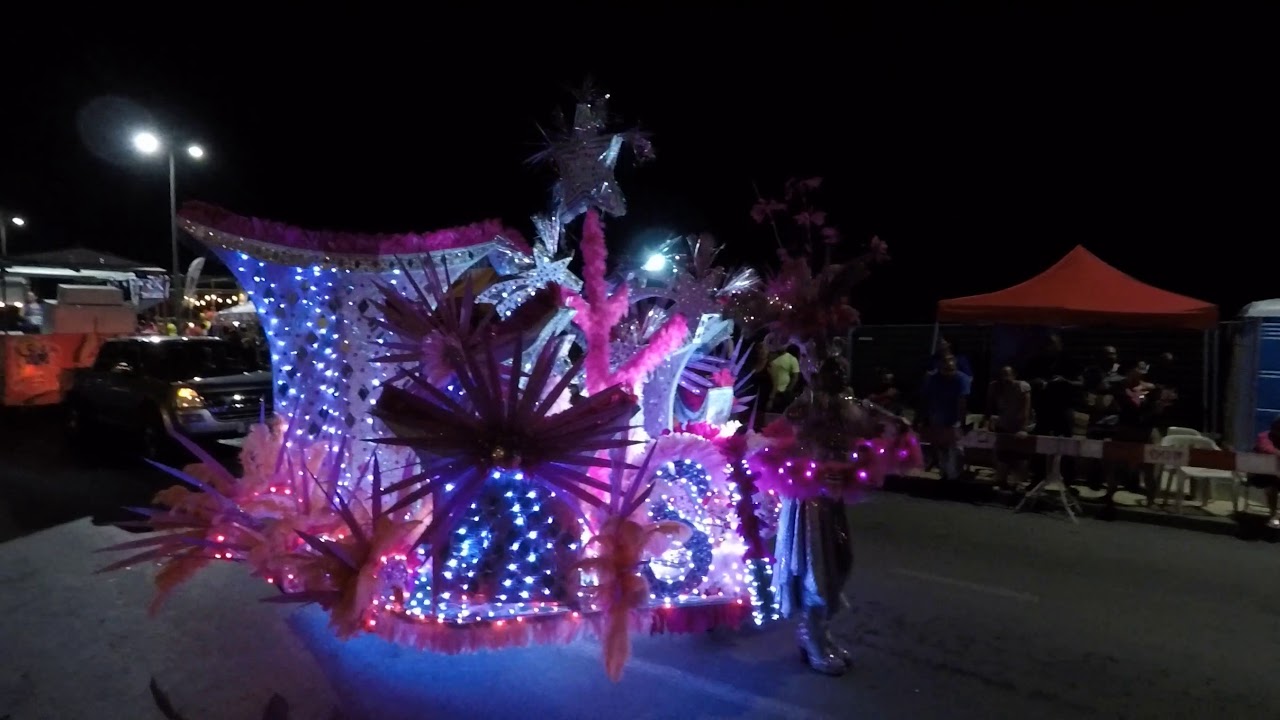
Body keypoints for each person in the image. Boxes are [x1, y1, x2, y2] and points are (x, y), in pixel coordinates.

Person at [774, 356, 870, 676]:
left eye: (841, 368)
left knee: (841, 561)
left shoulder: (843, 405)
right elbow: (786, 445)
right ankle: (812, 638)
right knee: (818, 568)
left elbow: (862, 431)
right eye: (831, 369)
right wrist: (815, 470)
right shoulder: (806, 407)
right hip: (809, 501)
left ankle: (820, 633)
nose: (839, 374)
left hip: (832, 499)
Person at [919, 355, 972, 480]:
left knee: (956, 448)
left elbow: (962, 401)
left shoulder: (961, 379)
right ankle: (943, 473)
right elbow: (925, 398)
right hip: (937, 415)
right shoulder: (933, 378)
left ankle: (955, 475)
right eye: (945, 369)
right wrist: (923, 417)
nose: (948, 372)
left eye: (950, 369)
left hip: (954, 417)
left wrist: (961, 421)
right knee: (941, 446)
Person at [985, 366, 1031, 490]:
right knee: (1002, 454)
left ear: (1014, 375)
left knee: (1019, 455)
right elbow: (990, 406)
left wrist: (1024, 428)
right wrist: (990, 420)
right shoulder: (995, 387)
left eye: (1008, 374)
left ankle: (1018, 482)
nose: (1005, 378)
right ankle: (1001, 480)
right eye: (1003, 374)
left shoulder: (1022, 387)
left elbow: (1026, 409)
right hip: (1003, 423)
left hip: (1018, 424)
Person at [1251, 418, 1280, 529]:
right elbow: (1267, 449)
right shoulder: (1264, 436)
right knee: (1272, 485)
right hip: (1260, 474)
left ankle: (1276, 516)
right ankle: (1273, 514)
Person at [768, 344, 802, 412]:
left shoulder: (776, 362)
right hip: (785, 397)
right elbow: (795, 379)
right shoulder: (794, 366)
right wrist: (788, 391)